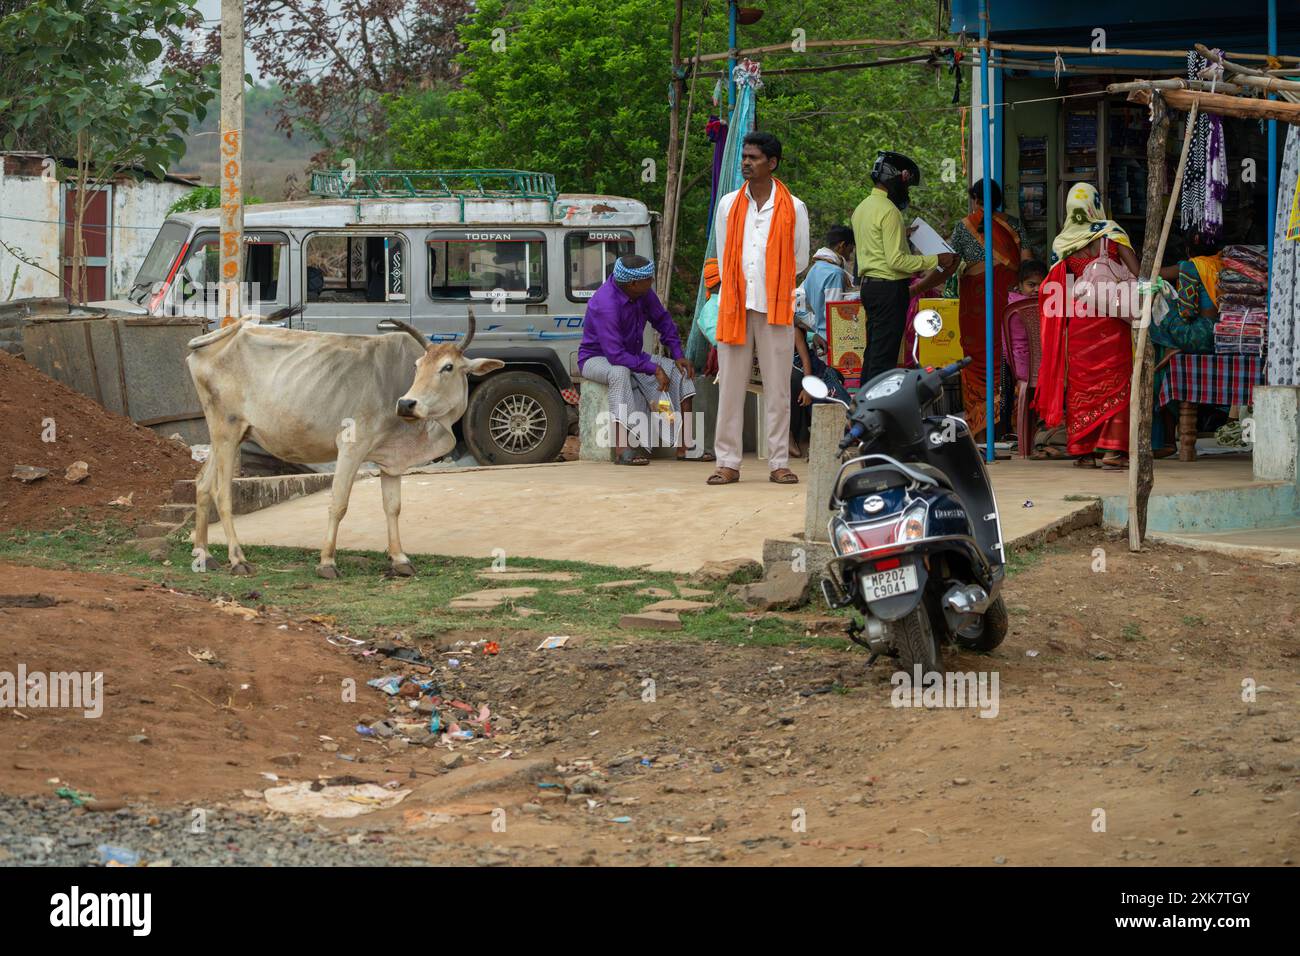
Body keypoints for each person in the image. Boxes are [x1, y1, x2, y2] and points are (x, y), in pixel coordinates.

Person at [708, 131, 810, 486]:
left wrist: (772, 283)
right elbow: (723, 256)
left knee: (779, 388)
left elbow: (798, 261)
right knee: (731, 387)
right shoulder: (727, 205)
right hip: (736, 304)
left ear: (773, 163)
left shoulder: (794, 207)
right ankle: (727, 462)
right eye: (744, 157)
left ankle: (779, 461)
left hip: (776, 306)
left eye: (753, 158)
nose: (746, 163)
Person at [1034, 183, 1141, 470]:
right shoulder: (1111, 233)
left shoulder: (1063, 243)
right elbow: (1137, 273)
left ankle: (1084, 450)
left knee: (1082, 386)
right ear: (1096, 205)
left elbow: (1055, 288)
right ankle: (1112, 451)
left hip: (1078, 324)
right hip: (1112, 321)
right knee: (1117, 382)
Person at [577, 255, 704, 465]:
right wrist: (652, 368)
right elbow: (615, 355)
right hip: (596, 359)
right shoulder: (605, 303)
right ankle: (622, 449)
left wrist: (678, 355)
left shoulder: (642, 293)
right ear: (633, 283)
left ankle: (686, 445)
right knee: (619, 372)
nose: (651, 282)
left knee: (679, 372)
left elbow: (662, 321)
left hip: (631, 355)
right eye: (648, 279)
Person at [851, 150, 958, 383]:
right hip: (889, 290)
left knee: (873, 354)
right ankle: (875, 414)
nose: (906, 191)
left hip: (870, 289)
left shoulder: (862, 208)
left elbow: (876, 246)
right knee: (883, 358)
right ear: (895, 179)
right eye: (906, 185)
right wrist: (937, 259)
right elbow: (896, 261)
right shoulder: (890, 211)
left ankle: (861, 409)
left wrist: (902, 234)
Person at [948, 179, 1032, 438]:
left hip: (975, 303)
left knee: (977, 359)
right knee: (1008, 356)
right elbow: (1027, 263)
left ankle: (982, 428)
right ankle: (1008, 425)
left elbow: (949, 263)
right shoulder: (1014, 224)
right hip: (1007, 300)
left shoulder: (963, 227)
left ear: (975, 198)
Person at [789, 227, 854, 455]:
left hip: (817, 342)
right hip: (833, 343)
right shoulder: (835, 274)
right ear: (842, 246)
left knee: (822, 393)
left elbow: (800, 308)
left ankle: (821, 441)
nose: (850, 255)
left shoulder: (814, 270)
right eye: (850, 249)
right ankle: (836, 441)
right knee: (836, 393)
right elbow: (836, 312)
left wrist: (813, 329)